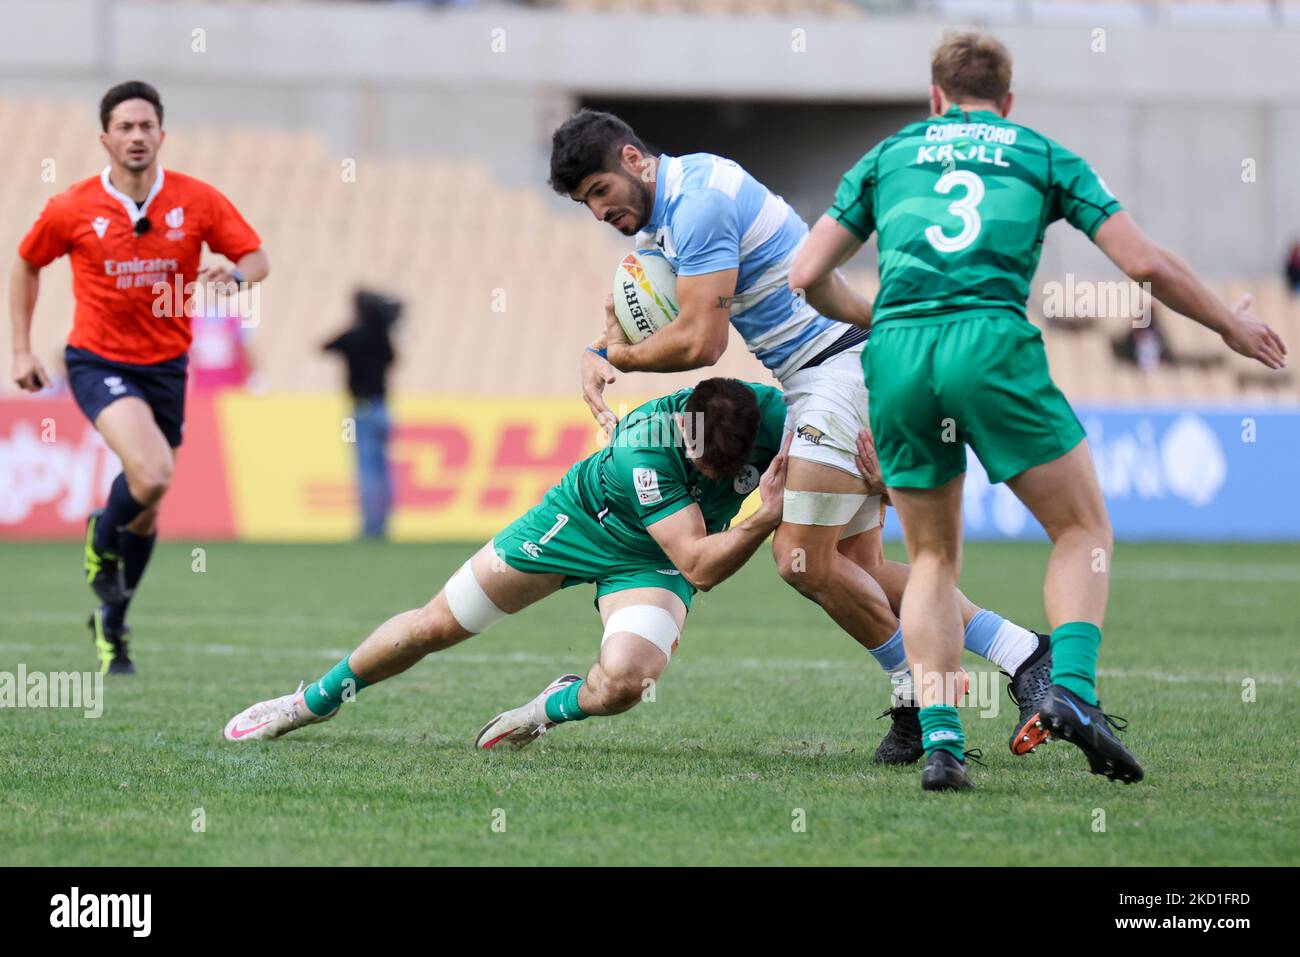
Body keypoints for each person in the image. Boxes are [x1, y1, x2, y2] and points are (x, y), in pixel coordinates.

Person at [791, 31, 1286, 790]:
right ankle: (1073, 689)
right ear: (1007, 100)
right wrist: (1229, 323)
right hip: (990, 342)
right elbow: (1145, 263)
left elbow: (806, 272)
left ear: (935, 97)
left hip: (897, 354)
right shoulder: (1041, 152)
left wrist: (883, 315)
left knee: (930, 557)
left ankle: (944, 745)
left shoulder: (892, 153)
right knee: (1082, 527)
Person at [553, 110, 1052, 764]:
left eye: (598, 190)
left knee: (801, 558)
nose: (597, 210)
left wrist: (620, 359)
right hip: (830, 372)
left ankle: (921, 703)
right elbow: (634, 288)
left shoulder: (700, 205)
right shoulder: (671, 206)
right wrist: (599, 345)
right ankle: (1024, 654)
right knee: (861, 566)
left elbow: (703, 341)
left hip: (835, 371)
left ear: (632, 159)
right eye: (584, 202)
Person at [222, 379, 789, 745]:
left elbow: (692, 562)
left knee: (626, 683)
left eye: (724, 467)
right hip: (579, 523)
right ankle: (311, 702)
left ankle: (547, 706)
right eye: (703, 463)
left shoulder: (780, 418)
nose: (712, 475)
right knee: (435, 626)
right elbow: (701, 567)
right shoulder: (646, 445)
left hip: (652, 558)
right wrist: (767, 513)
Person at [9, 80, 268, 674]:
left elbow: (258, 258)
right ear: (105, 138)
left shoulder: (196, 200)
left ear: (161, 135)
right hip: (97, 361)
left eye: (145, 126)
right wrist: (21, 350)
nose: (135, 136)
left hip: (166, 368)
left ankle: (115, 622)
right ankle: (102, 534)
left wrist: (234, 278)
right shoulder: (72, 208)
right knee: (150, 475)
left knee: (149, 508)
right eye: (124, 127)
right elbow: (26, 261)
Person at [322, 290, 400, 539]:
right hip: (383, 408)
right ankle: (385, 523)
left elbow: (326, 346)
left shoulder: (355, 337)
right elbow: (392, 358)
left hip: (363, 409)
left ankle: (371, 526)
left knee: (367, 469)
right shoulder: (383, 337)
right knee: (383, 468)